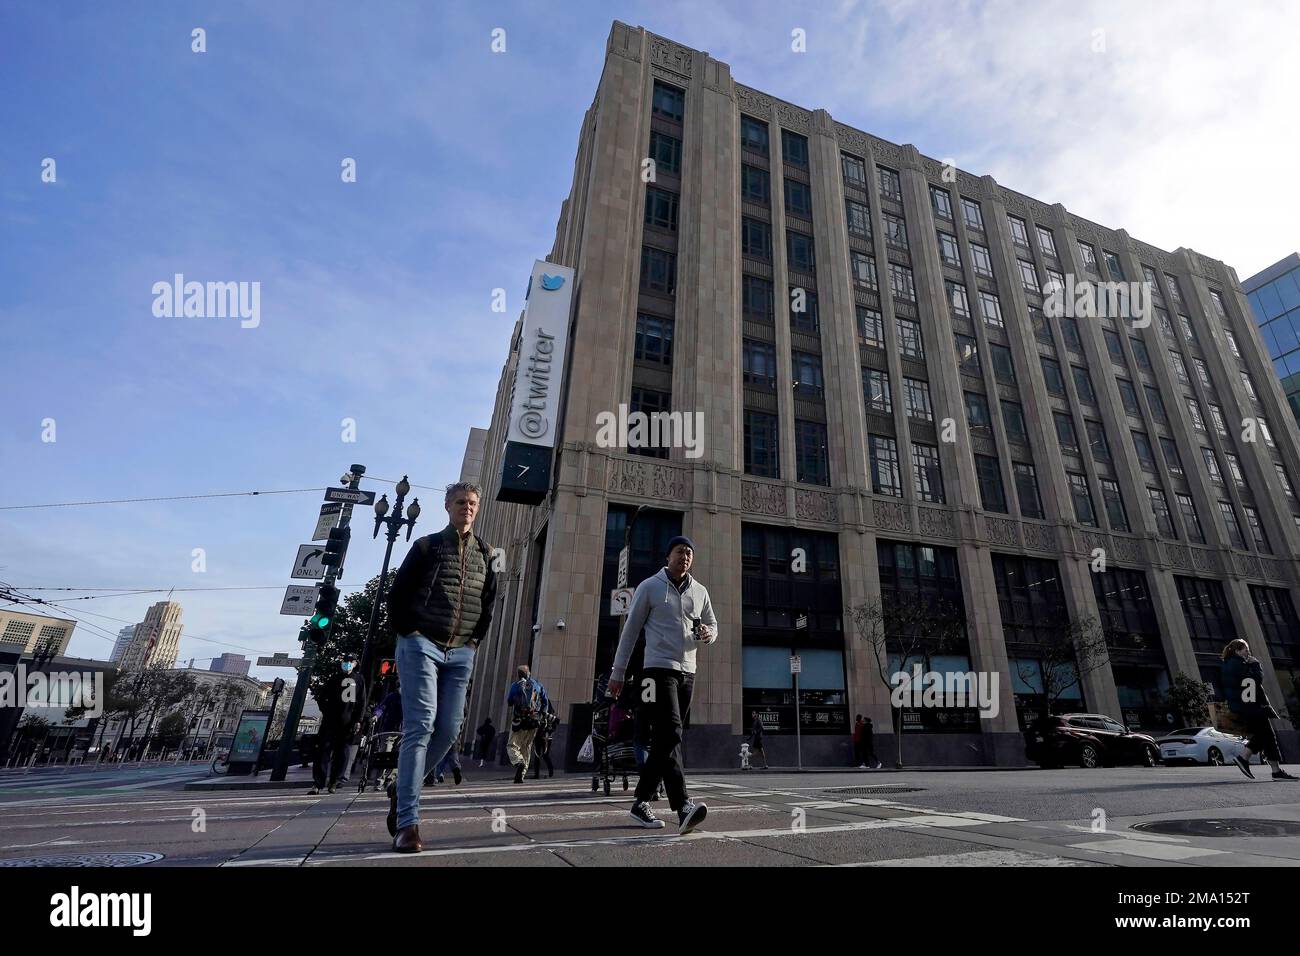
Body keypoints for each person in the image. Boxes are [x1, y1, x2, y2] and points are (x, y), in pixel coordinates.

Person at [384, 481, 498, 853]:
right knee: (422, 723)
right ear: (448, 506)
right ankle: (407, 822)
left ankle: (402, 785)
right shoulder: (427, 546)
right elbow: (397, 595)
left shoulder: (486, 552)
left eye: (473, 503)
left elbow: (489, 600)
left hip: (461, 650)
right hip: (420, 643)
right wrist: (411, 630)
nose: (467, 507)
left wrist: (474, 640)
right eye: (461, 502)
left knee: (449, 729)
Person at [609, 535, 716, 835]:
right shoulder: (650, 587)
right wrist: (618, 672)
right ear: (668, 556)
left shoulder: (700, 591)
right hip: (657, 671)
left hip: (688, 671)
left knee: (667, 739)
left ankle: (641, 801)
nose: (685, 557)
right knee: (672, 732)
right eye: (680, 551)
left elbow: (713, 625)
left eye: (690, 553)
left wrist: (708, 633)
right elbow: (630, 632)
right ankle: (682, 806)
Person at [1221, 639, 1297, 781]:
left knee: (1267, 737)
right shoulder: (1237, 664)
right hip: (1250, 707)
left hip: (1248, 706)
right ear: (1237, 651)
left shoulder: (1232, 664)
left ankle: (1276, 771)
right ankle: (1244, 758)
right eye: (1245, 650)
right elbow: (1253, 681)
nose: (1248, 653)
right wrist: (1256, 665)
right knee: (1264, 736)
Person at [310, 657, 366, 794]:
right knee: (323, 751)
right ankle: (318, 782)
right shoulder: (334, 679)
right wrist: (326, 710)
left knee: (342, 753)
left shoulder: (359, 679)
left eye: (351, 662)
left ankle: (334, 781)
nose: (348, 664)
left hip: (348, 723)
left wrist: (358, 720)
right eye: (346, 662)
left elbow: (361, 701)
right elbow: (321, 696)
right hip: (330, 721)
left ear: (355, 664)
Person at [507, 665, 551, 783]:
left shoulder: (515, 686)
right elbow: (545, 702)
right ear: (529, 674)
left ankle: (518, 762)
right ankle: (521, 775)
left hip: (519, 721)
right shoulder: (538, 685)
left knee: (512, 745)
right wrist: (543, 716)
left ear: (519, 675)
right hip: (534, 720)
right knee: (527, 747)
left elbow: (509, 702)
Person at [532, 705, 558, 778]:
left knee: (544, 755)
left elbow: (553, 726)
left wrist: (548, 732)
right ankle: (536, 774)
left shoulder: (549, 715)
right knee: (538, 755)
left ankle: (550, 770)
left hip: (546, 737)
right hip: (539, 736)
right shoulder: (540, 713)